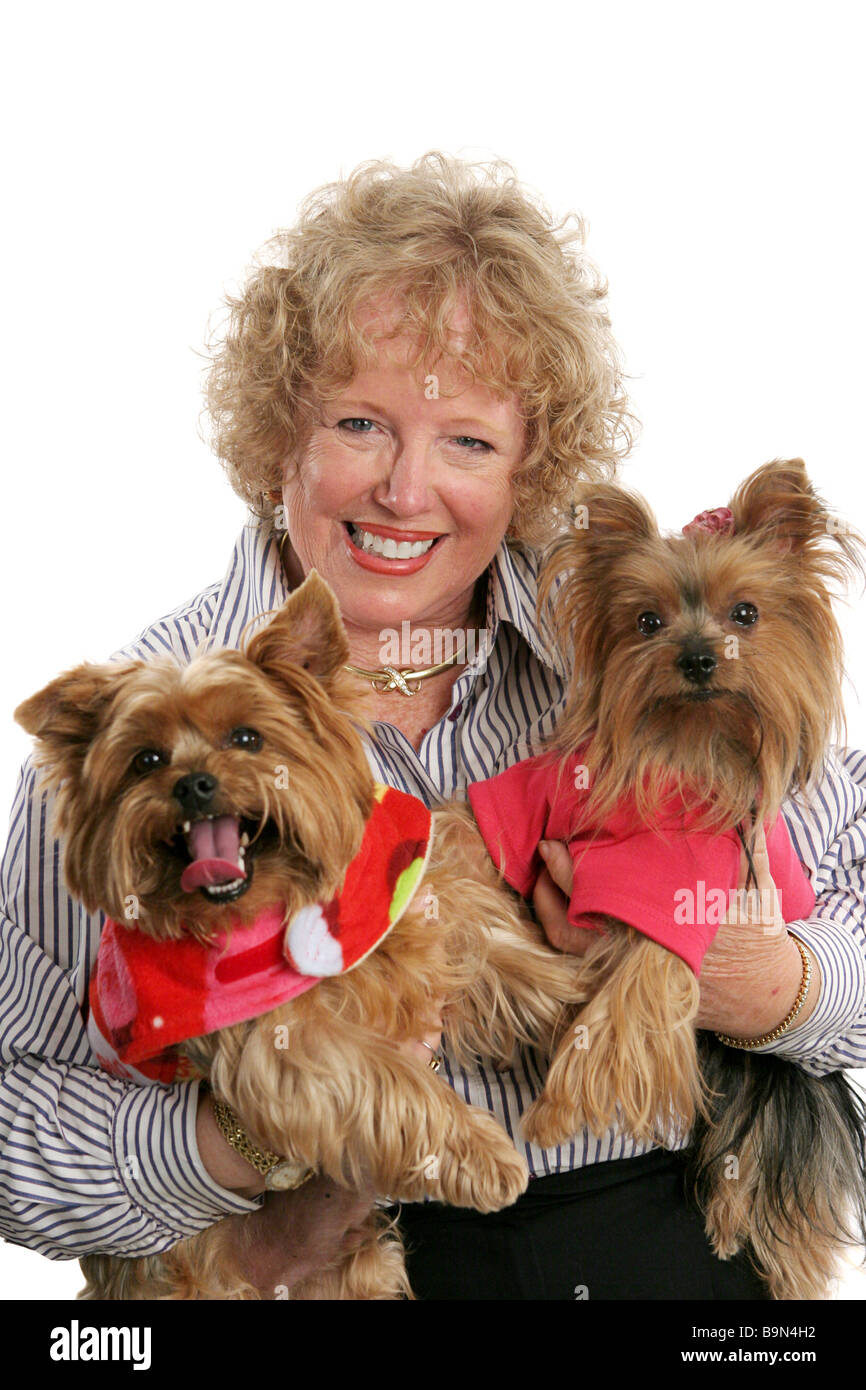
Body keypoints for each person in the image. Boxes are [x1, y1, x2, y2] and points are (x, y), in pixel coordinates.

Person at [2, 153, 864, 1299]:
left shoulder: (627, 653)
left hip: (676, 1245)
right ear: (278, 438)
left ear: (528, 467)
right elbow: (12, 1123)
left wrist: (781, 990)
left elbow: (843, 896)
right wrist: (237, 1156)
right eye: (360, 423)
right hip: (331, 1259)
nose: (404, 492)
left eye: (466, 441)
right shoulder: (133, 741)